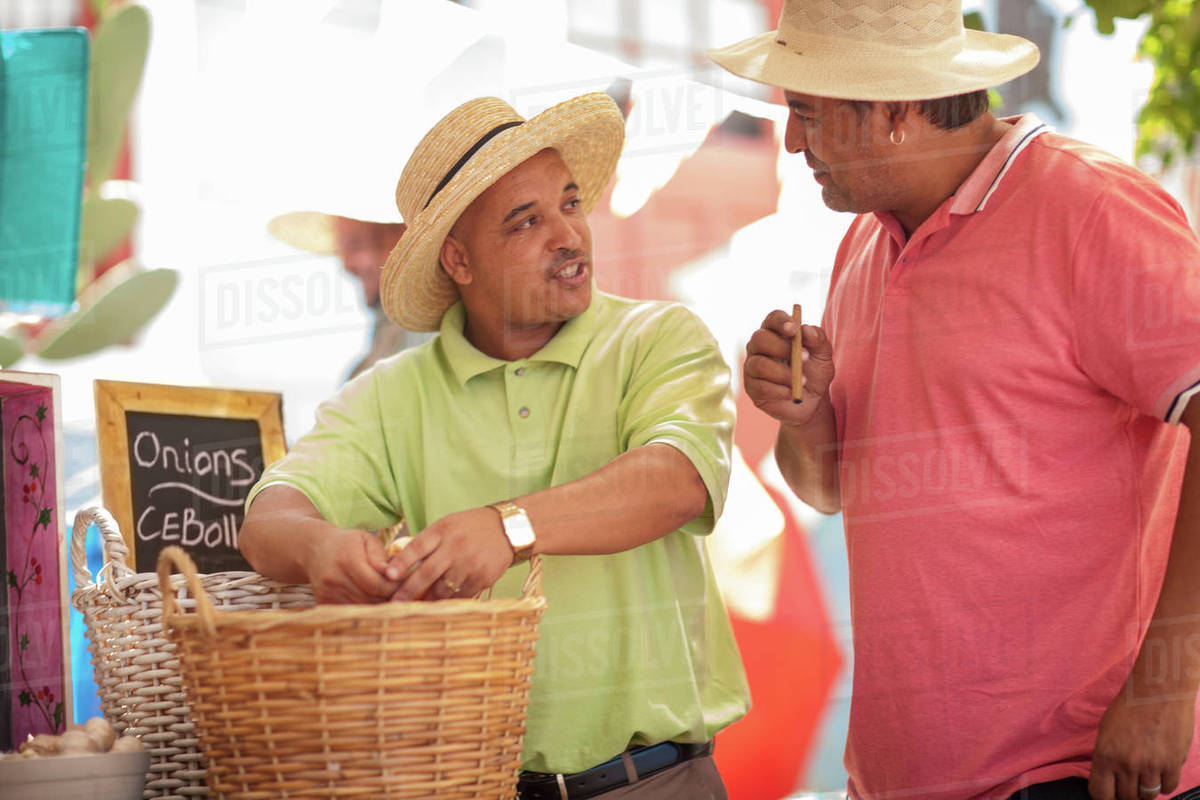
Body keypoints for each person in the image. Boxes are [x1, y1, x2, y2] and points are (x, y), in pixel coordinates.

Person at [709, 2, 1200, 800]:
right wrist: (803, 414)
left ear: (895, 112)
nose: (791, 141)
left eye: (806, 112)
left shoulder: (1091, 207)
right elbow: (832, 489)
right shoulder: (863, 242)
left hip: (1074, 773)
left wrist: (1167, 685)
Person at [239, 92, 750, 799]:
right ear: (459, 260)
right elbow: (268, 520)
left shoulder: (659, 339)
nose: (569, 235)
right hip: (469, 783)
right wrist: (320, 549)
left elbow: (677, 481)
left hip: (659, 781)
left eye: (570, 204)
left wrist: (509, 526)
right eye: (527, 222)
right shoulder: (391, 394)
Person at [268, 209, 427, 380]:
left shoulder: (424, 326)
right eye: (342, 250)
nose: (347, 265)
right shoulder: (389, 327)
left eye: (355, 244)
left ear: (403, 236)